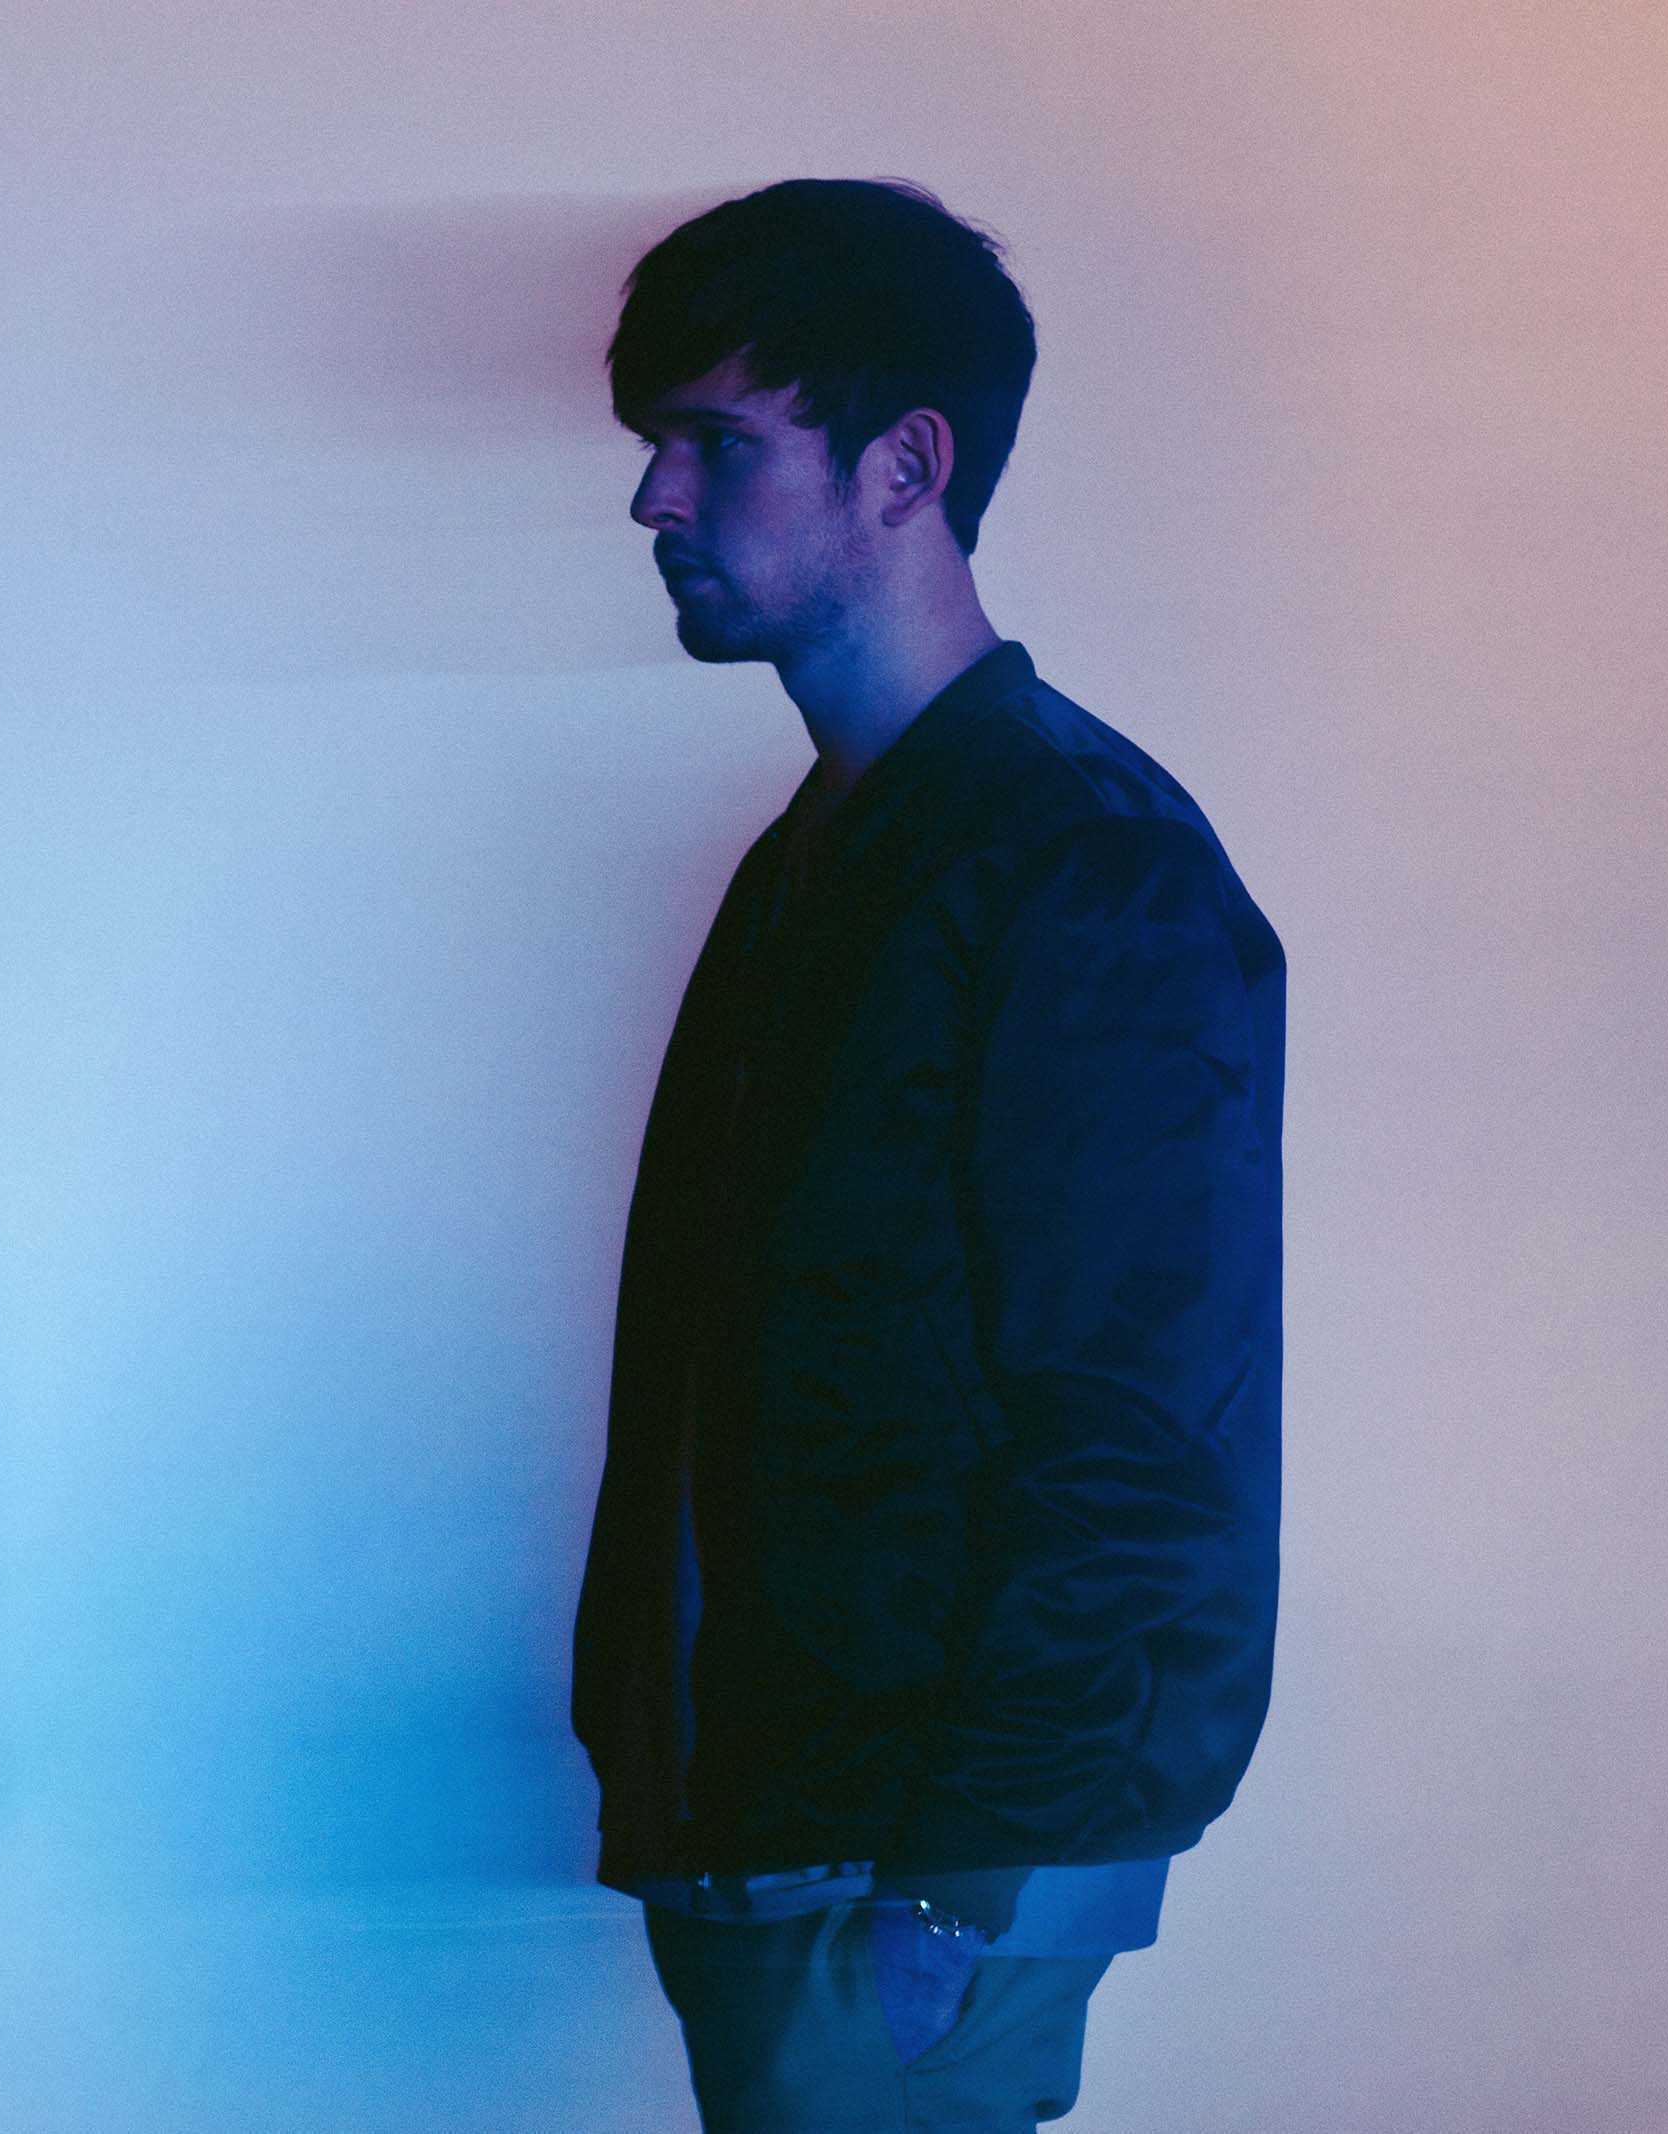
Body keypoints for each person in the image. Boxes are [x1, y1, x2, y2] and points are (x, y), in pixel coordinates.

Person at [569, 178, 1286, 2131]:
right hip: (784, 1823)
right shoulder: (817, 860)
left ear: (906, 464)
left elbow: (1136, 1425)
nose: (652, 498)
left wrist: (967, 1875)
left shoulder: (1083, 867)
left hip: (914, 1854)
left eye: (712, 443)